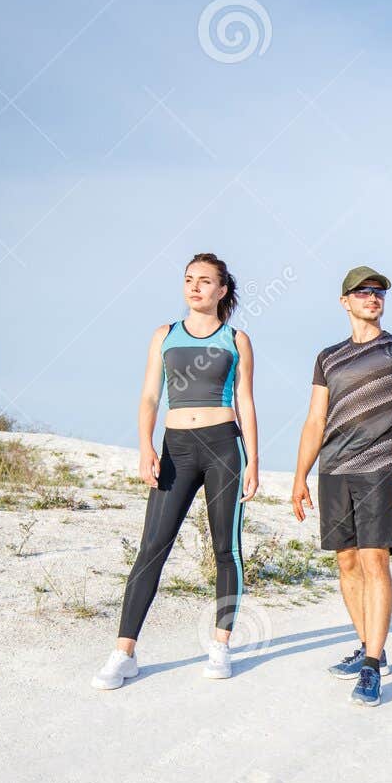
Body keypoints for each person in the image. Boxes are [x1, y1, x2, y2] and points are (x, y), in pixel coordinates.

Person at [91, 253, 258, 689]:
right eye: (189, 279)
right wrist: (145, 446)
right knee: (151, 547)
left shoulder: (236, 339)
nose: (195, 287)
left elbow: (246, 402)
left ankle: (220, 646)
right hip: (176, 449)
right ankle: (123, 653)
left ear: (222, 291)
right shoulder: (164, 335)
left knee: (227, 548)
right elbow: (150, 396)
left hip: (224, 448)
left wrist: (254, 459)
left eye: (205, 281)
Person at [291, 265, 392, 707]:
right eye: (363, 292)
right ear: (345, 301)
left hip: (379, 469)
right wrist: (299, 477)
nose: (373, 298)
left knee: (375, 561)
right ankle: (370, 646)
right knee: (346, 562)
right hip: (333, 470)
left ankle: (371, 668)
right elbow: (316, 419)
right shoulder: (327, 357)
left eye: (379, 293)